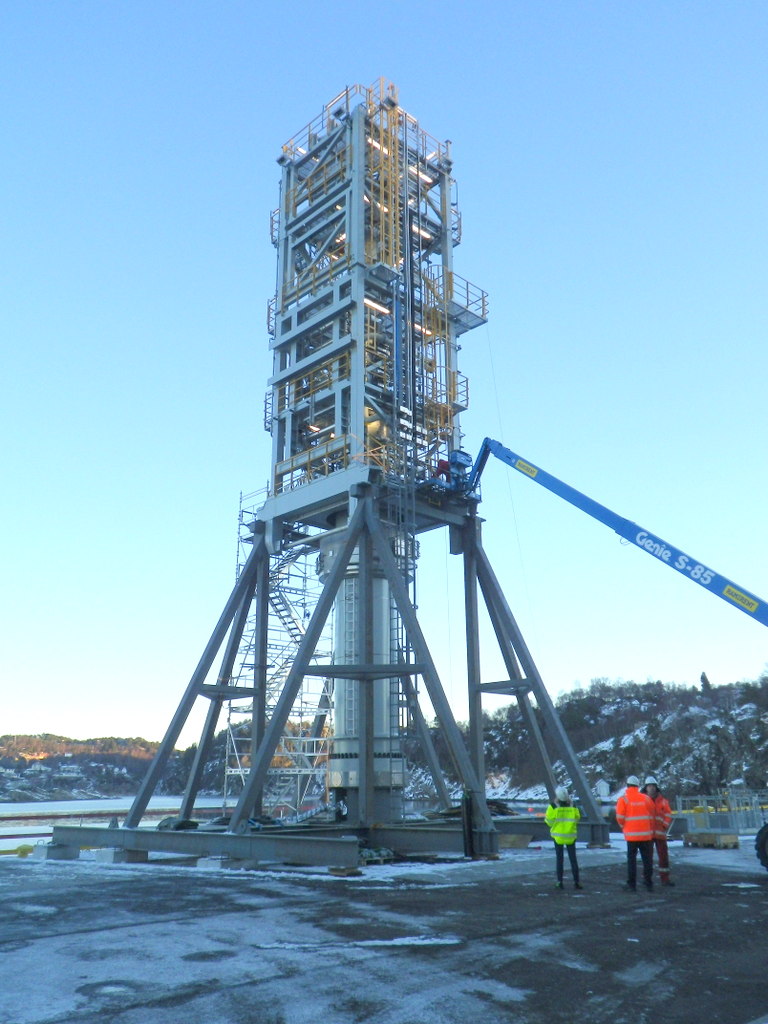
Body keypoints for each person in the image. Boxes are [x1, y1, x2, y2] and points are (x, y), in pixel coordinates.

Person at [615, 775, 655, 891]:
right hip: (645, 835)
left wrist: (624, 827)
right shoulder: (646, 799)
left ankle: (632, 884)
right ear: (638, 786)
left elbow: (620, 817)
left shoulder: (623, 800)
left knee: (631, 861)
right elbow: (652, 814)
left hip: (631, 836)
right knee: (647, 860)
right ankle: (648, 883)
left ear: (627, 786)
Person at [545, 786, 582, 890]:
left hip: (558, 837)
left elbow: (549, 821)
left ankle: (559, 882)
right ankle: (577, 882)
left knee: (559, 859)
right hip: (571, 835)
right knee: (573, 859)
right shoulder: (573, 806)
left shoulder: (553, 806)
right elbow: (577, 818)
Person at [642, 775, 675, 886]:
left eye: (653, 786)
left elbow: (668, 814)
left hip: (660, 834)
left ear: (656, 787)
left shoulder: (663, 801)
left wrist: (664, 826)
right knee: (647, 858)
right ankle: (647, 879)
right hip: (648, 834)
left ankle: (665, 879)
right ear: (646, 788)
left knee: (663, 857)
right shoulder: (642, 801)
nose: (651, 788)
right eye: (649, 786)